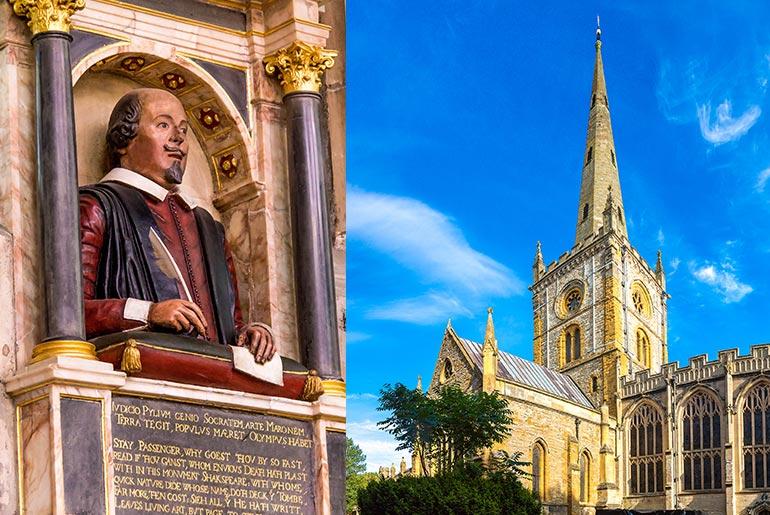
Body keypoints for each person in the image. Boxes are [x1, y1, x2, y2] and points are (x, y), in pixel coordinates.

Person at [79, 88, 275, 363]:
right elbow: (71, 312)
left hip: (211, 373)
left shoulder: (208, 227)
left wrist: (251, 334)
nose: (179, 138)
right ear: (124, 140)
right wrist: (149, 313)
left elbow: (230, 324)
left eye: (183, 129)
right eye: (163, 125)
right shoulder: (97, 206)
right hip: (144, 371)